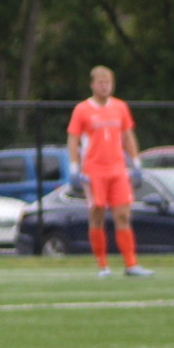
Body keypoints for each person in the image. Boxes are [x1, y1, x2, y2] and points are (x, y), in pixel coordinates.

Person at [67, 66, 153, 277]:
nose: (104, 86)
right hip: (93, 170)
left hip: (117, 169)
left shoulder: (120, 107)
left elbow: (128, 135)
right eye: (100, 82)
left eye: (108, 83)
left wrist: (136, 162)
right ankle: (102, 264)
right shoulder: (82, 109)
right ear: (92, 84)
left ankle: (131, 264)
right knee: (97, 213)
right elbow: (73, 138)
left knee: (122, 215)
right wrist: (74, 167)